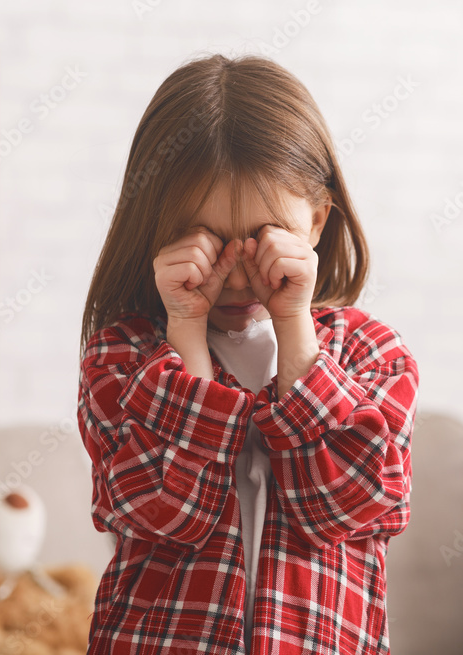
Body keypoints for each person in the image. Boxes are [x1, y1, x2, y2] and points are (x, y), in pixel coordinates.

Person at [77, 53, 419, 654]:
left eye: (263, 236)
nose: (235, 274)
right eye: (202, 237)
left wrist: (293, 326)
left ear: (315, 222)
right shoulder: (120, 357)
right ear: (154, 226)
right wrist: (185, 330)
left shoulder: (374, 356)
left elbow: (345, 507)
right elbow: (162, 513)